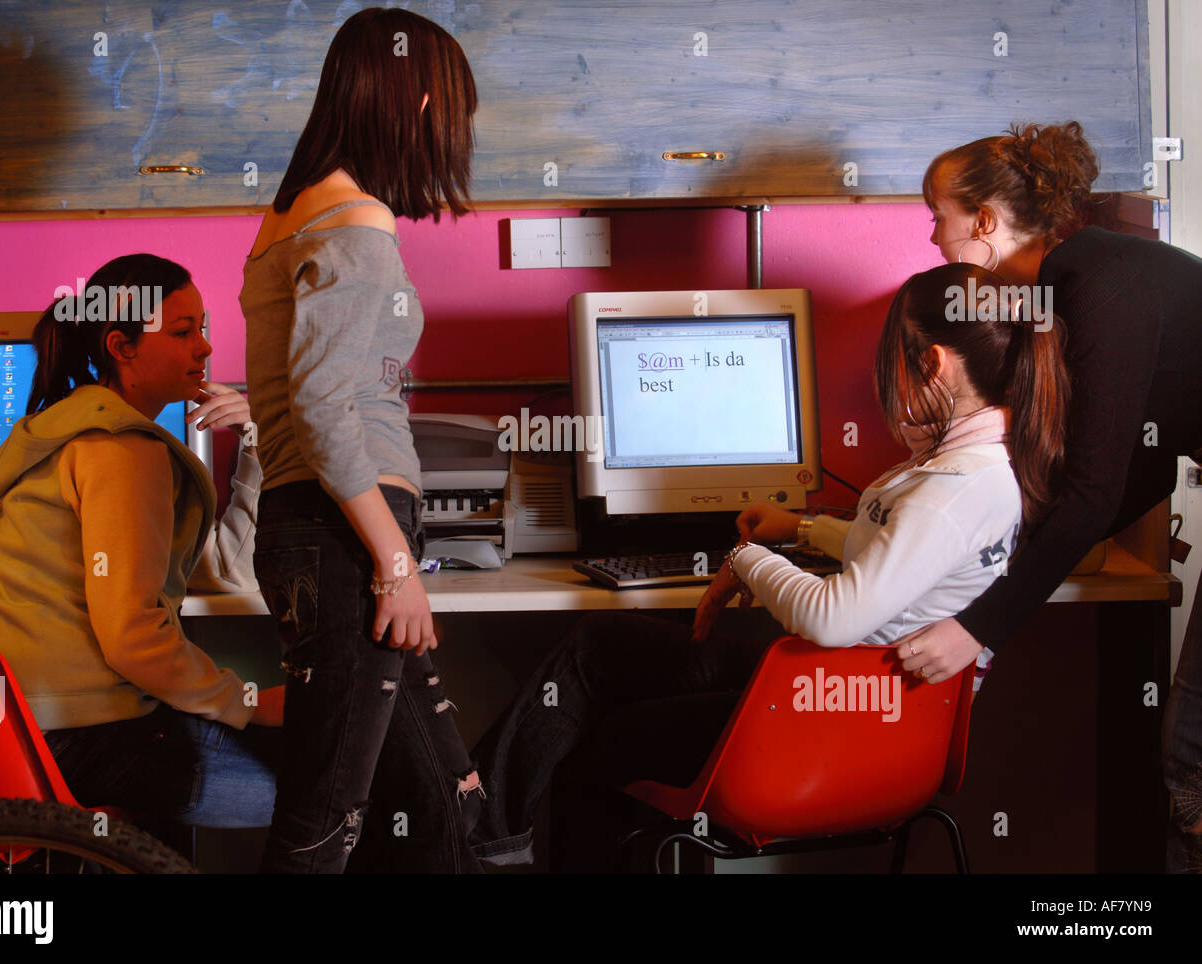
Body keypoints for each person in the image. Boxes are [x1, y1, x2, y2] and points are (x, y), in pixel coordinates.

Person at [469, 261, 1068, 869]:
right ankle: (485, 832)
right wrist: (804, 528)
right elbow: (899, 551)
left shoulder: (954, 487)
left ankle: (481, 838)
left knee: (601, 739)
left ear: (933, 363)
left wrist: (748, 558)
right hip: (849, 700)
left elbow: (834, 618)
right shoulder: (976, 468)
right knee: (602, 646)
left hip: (836, 719)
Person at [908, 121, 1202, 872]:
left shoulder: (1098, 285)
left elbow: (1100, 489)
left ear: (982, 221)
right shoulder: (1074, 281)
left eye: (936, 214)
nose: (932, 235)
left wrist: (979, 627)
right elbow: (1150, 466)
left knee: (1191, 769)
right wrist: (1004, 543)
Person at [239, 7, 482, 873]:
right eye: (450, 109)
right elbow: (321, 406)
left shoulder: (291, 216)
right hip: (348, 536)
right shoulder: (358, 223)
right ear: (413, 100)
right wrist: (396, 563)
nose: (453, 131)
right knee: (326, 820)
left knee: (450, 791)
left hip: (317, 527)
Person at [0, 253, 283, 833]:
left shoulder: (63, 429)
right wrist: (244, 702)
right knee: (332, 796)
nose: (205, 349)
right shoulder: (122, 451)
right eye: (181, 332)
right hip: (92, 737)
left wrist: (257, 443)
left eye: (202, 329)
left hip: (32, 730)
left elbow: (229, 573)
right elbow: (130, 634)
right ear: (121, 347)